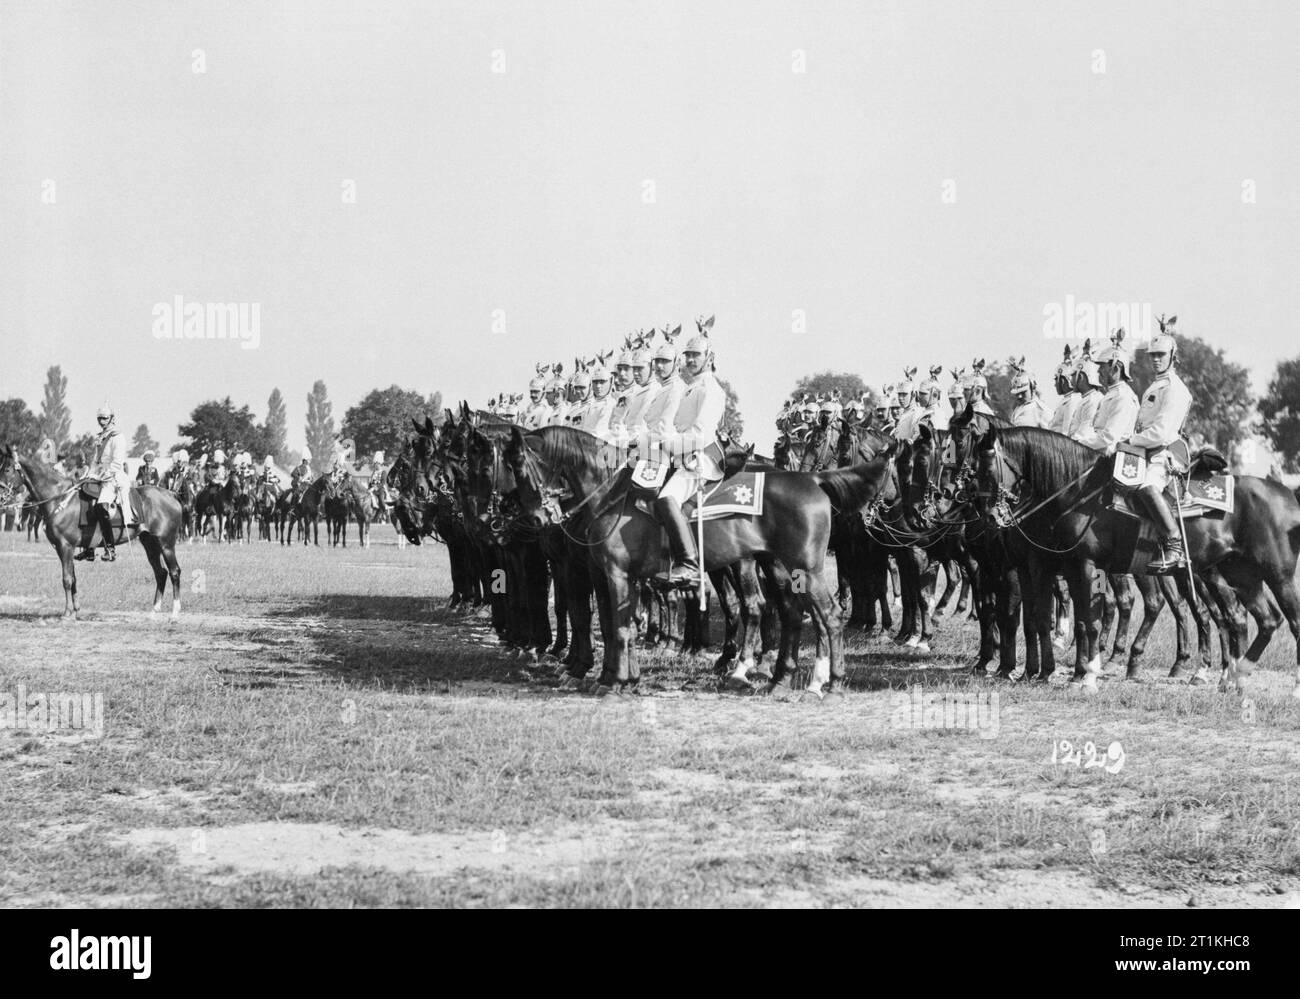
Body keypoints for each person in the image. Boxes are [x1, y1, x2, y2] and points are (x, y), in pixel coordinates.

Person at [652, 326, 726, 587]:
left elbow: (700, 435)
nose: (691, 360)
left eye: (696, 355)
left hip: (701, 459)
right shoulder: (689, 388)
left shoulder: (711, 389)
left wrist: (669, 443)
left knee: (666, 497)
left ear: (709, 357)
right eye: (688, 355)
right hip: (682, 457)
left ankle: (690, 565)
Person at [1127, 321, 1193, 572]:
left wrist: (1130, 441)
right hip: (1148, 450)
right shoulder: (1156, 385)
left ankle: (1174, 545)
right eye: (1152, 355)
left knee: (1147, 487)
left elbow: (1162, 432)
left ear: (1172, 356)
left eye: (1160, 355)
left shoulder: (1175, 389)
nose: (1155, 359)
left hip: (1166, 452)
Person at [76, 402, 133, 562]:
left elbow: (117, 463)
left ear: (112, 419)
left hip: (113, 478)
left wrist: (100, 476)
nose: (101, 421)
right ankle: (89, 549)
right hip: (100, 476)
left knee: (101, 507)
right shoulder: (100, 437)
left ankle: (110, 549)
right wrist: (89, 475)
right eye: (99, 418)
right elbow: (96, 461)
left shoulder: (118, 437)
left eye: (104, 418)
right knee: (86, 500)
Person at [1074, 331, 1139, 454]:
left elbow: (1109, 438)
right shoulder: (1112, 394)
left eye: (1103, 367)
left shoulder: (1123, 397)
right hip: (1098, 451)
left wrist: (1079, 444)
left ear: (1115, 368)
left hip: (1110, 456)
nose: (1099, 371)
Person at [1067, 340, 1103, 439]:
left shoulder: (1092, 401)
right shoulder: (1087, 399)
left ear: (1081, 377)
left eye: (1073, 376)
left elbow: (1083, 435)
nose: (1070, 380)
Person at [1047, 346, 1080, 435]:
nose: (1055, 384)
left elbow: (1066, 433)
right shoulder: (1067, 399)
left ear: (1061, 381)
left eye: (1056, 380)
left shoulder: (1072, 401)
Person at [1009, 361, 1052, 428]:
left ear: (1033, 389)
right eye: (1017, 394)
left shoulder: (1041, 410)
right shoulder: (1017, 409)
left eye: (1023, 392)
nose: (1019, 396)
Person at [582, 364, 616, 438]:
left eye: (602, 382)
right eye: (595, 382)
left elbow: (598, 432)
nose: (598, 386)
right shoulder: (590, 404)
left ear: (610, 382)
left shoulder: (610, 404)